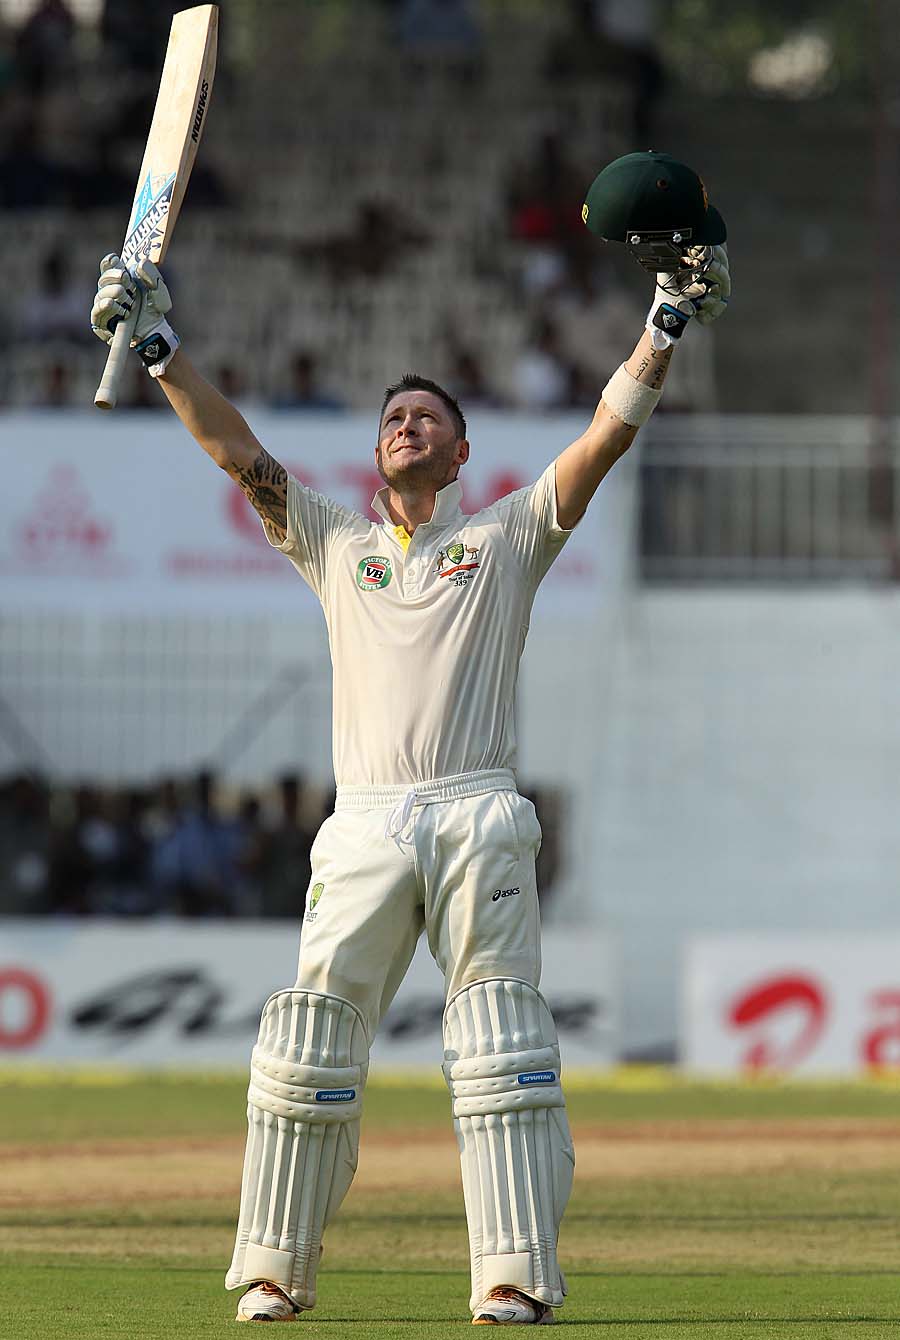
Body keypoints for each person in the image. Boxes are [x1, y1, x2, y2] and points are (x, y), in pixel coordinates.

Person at [89, 152, 729, 1325]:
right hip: (367, 819)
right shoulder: (334, 542)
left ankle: (511, 1276)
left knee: (500, 1048)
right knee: (307, 1051)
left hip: (480, 806)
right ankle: (276, 1270)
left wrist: (666, 322)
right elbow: (237, 453)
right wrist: (161, 347)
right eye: (392, 414)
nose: (403, 421)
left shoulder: (508, 536)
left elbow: (600, 438)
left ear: (458, 451)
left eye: (425, 415)